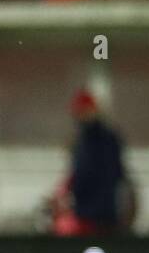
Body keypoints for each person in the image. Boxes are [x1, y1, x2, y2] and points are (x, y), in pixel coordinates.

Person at [53, 89, 130, 235]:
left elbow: (84, 175)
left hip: (90, 215)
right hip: (102, 213)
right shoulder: (104, 138)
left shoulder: (91, 141)